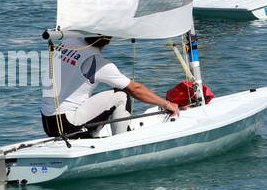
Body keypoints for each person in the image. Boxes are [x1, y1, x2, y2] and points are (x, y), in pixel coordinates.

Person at [41, 35, 179, 139]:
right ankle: (122, 143)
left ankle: (90, 136)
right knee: (122, 95)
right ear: (108, 40)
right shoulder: (99, 63)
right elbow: (136, 89)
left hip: (48, 123)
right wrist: (167, 104)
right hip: (67, 124)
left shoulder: (68, 41)